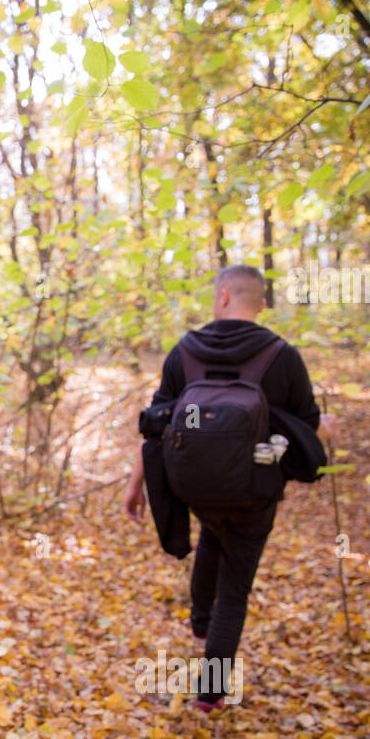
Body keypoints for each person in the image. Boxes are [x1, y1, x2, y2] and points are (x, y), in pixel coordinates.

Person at [123, 264, 337, 712]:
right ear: (260, 306)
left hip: (192, 486)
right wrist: (327, 429)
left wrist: (135, 484)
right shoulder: (282, 356)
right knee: (235, 586)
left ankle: (201, 621)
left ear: (222, 296)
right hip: (253, 491)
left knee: (213, 535)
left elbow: (155, 424)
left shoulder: (185, 352)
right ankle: (210, 692)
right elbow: (309, 426)